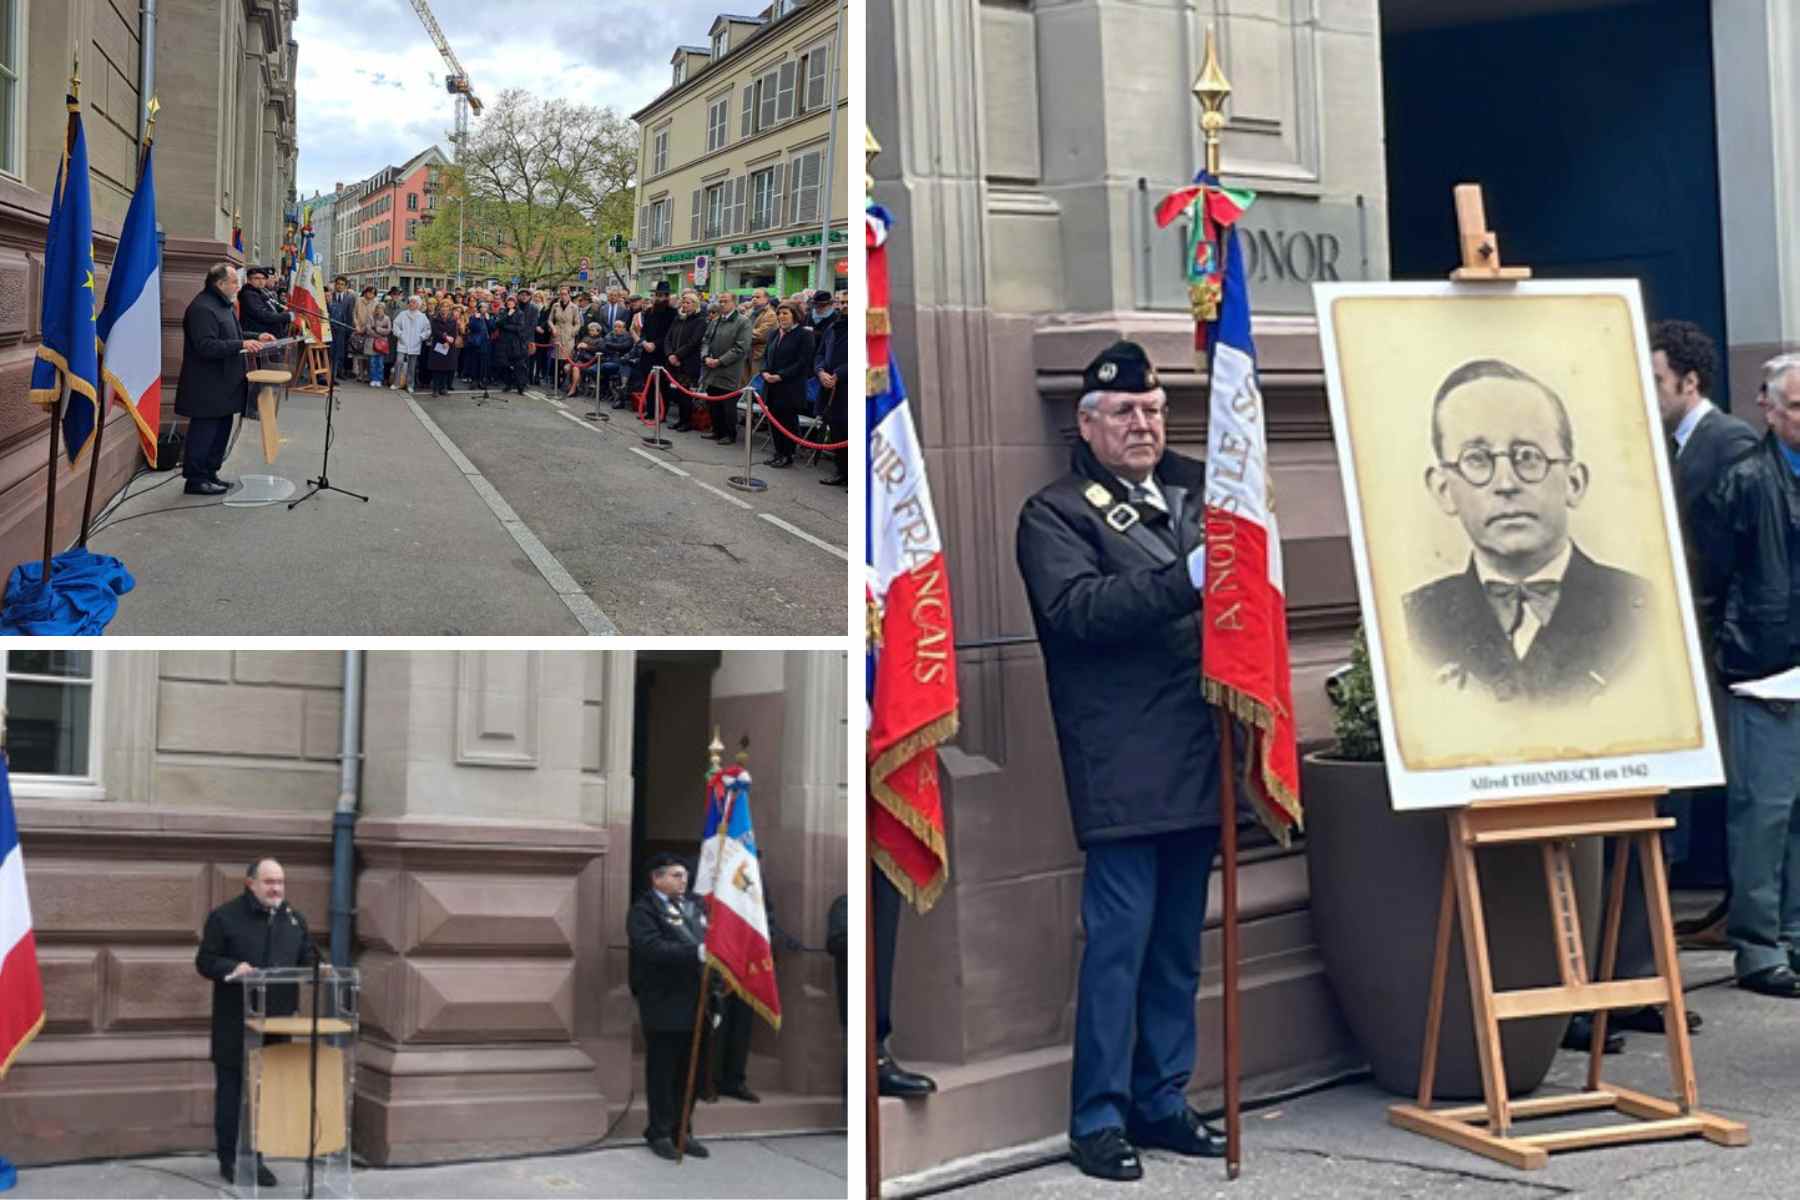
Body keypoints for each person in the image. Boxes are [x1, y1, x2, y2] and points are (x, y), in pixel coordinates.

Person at [1015, 341, 1224, 1183]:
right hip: (1125, 760)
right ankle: (1097, 1116)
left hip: (1202, 747)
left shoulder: (1201, 488)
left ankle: (1162, 1096)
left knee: (1178, 946)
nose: (1144, 425)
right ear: (1088, 422)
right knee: (1118, 950)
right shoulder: (1057, 512)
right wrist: (1190, 578)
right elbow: (1078, 611)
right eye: (1126, 412)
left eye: (1154, 409)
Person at [1403, 358, 1651, 705]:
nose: (1506, 484)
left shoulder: (1644, 611)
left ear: (1574, 482)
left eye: (1528, 457)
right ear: (1444, 489)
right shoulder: (1411, 624)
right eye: (1477, 459)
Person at [1693, 354, 1800, 1000]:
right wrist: (1726, 655)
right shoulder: (1744, 480)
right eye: (1795, 406)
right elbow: (1714, 579)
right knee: (1764, 813)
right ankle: (1760, 947)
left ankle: (1792, 934)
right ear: (1766, 407)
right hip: (1763, 665)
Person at [1655, 320, 1761, 952]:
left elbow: (1737, 546)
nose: (1650, 388)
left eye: (1659, 379)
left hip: (1719, 638)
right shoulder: (1672, 444)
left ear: (1689, 383)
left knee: (1735, 773)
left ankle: (1736, 905)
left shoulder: (1729, 441)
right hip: (1689, 635)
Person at [194, 859, 315, 1187]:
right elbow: (205, 961)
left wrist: (323, 971)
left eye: (280, 882)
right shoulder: (224, 917)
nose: (276, 888)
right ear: (250, 884)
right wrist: (234, 968)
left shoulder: (292, 919)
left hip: (277, 1026)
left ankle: (258, 1159)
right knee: (234, 1095)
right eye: (269, 882)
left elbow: (308, 960)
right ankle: (231, 1160)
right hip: (237, 1025)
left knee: (266, 1095)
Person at [627, 854, 713, 1161]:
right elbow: (651, 948)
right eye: (676, 875)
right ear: (657, 878)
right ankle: (660, 1131)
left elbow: (708, 940)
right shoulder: (643, 910)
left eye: (685, 875)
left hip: (696, 1003)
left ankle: (682, 1130)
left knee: (689, 1070)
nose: (683, 880)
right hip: (663, 1003)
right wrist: (695, 952)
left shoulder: (694, 906)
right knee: (663, 1072)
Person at [175, 263, 269, 495]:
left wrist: (256, 337)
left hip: (226, 384)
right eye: (235, 282)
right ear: (220, 283)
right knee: (204, 433)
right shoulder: (202, 308)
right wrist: (241, 344)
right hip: (207, 385)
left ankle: (210, 473)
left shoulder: (223, 306)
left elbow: (233, 336)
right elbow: (206, 346)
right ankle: (196, 479)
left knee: (220, 433)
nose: (238, 286)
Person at [760, 302, 814, 468]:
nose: (781, 317)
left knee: (787, 422)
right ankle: (778, 452)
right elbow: (766, 356)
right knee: (774, 421)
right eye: (780, 313)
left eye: (785, 313)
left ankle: (787, 454)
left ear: (795, 315)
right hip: (772, 386)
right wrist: (765, 372)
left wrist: (781, 376)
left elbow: (802, 362)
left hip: (789, 387)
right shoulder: (775, 333)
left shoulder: (804, 335)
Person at [700, 290, 753, 445]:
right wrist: (705, 356)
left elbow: (741, 348)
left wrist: (720, 361)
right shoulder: (715, 321)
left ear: (734, 303)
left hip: (730, 370)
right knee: (713, 402)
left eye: (725, 301)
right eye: (720, 301)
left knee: (728, 404)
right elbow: (706, 340)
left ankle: (730, 434)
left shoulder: (743, 322)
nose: (722, 304)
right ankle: (717, 431)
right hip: (712, 368)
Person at [811, 290, 848, 486]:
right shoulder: (833, 327)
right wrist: (820, 372)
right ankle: (841, 472)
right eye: (841, 302)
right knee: (837, 431)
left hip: (849, 388)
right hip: (829, 388)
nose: (844, 306)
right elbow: (819, 354)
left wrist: (839, 374)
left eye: (848, 302)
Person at [665, 291, 707, 432]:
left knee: (685, 394)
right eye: (683, 302)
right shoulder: (678, 319)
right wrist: (670, 354)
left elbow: (693, 342)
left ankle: (687, 421)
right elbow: (668, 338)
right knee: (676, 393)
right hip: (673, 362)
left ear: (695, 305)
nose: (685, 305)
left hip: (688, 363)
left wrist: (677, 356)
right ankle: (681, 420)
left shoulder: (700, 320)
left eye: (688, 303)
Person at [635, 282, 678, 407]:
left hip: (662, 354)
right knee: (648, 383)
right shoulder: (649, 311)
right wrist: (644, 342)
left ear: (667, 297)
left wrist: (655, 344)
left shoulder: (672, 313)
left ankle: (662, 412)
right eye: (657, 295)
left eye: (662, 296)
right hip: (647, 352)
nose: (658, 298)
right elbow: (644, 331)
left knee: (662, 385)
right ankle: (650, 410)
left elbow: (669, 334)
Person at [391, 296, 431, 394]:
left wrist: (421, 337)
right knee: (399, 362)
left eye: (414, 302)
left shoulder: (422, 316)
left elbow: (428, 330)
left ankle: (410, 384)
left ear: (418, 304)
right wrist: (400, 334)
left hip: (415, 344)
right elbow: (395, 325)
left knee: (412, 366)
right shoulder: (402, 314)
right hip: (402, 342)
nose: (411, 304)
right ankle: (396, 383)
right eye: (410, 302)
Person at [238, 266, 289, 340]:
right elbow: (263, 315)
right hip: (259, 338)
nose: (261, 281)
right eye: (257, 278)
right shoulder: (249, 294)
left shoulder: (260, 293)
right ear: (248, 280)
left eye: (263, 278)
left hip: (269, 337)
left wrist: (284, 310)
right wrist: (287, 316)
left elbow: (274, 307)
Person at [598, 320, 636, 412]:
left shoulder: (628, 337)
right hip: (610, 359)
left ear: (624, 328)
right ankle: (605, 390)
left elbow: (625, 346)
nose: (616, 328)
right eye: (615, 326)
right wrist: (615, 348)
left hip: (622, 361)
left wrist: (611, 346)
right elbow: (602, 346)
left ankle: (618, 396)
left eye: (619, 327)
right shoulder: (610, 334)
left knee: (611, 368)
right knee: (601, 368)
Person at [550, 286, 582, 390]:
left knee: (566, 359)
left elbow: (578, 323)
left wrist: (573, 332)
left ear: (569, 295)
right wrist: (553, 328)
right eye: (561, 294)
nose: (563, 296)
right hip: (557, 333)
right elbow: (550, 320)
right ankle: (555, 381)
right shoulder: (555, 306)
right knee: (556, 359)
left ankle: (565, 381)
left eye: (565, 294)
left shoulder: (574, 307)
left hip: (568, 334)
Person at [497, 297, 531, 394]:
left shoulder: (520, 313)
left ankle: (521, 386)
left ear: (515, 303)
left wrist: (506, 326)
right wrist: (508, 316)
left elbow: (519, 327)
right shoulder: (503, 312)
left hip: (516, 342)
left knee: (519, 365)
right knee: (505, 365)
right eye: (508, 301)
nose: (510, 303)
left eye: (512, 301)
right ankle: (508, 384)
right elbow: (498, 323)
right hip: (504, 342)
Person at [427, 300, 458, 396]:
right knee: (437, 368)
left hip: (448, 346)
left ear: (449, 308)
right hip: (438, 345)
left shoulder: (453, 319)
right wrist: (445, 337)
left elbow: (454, 333)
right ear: (440, 308)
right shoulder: (435, 318)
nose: (444, 309)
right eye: (443, 307)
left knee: (446, 368)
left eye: (447, 307)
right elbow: (435, 331)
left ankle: (443, 388)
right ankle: (435, 389)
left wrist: (448, 342)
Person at [328, 276, 355, 380]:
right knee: (331, 351)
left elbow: (350, 314)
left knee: (341, 352)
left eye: (342, 284)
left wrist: (349, 329)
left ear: (345, 286)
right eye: (338, 284)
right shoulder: (331, 296)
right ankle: (331, 373)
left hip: (343, 328)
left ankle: (340, 371)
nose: (339, 286)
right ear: (335, 285)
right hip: (331, 328)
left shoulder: (349, 298)